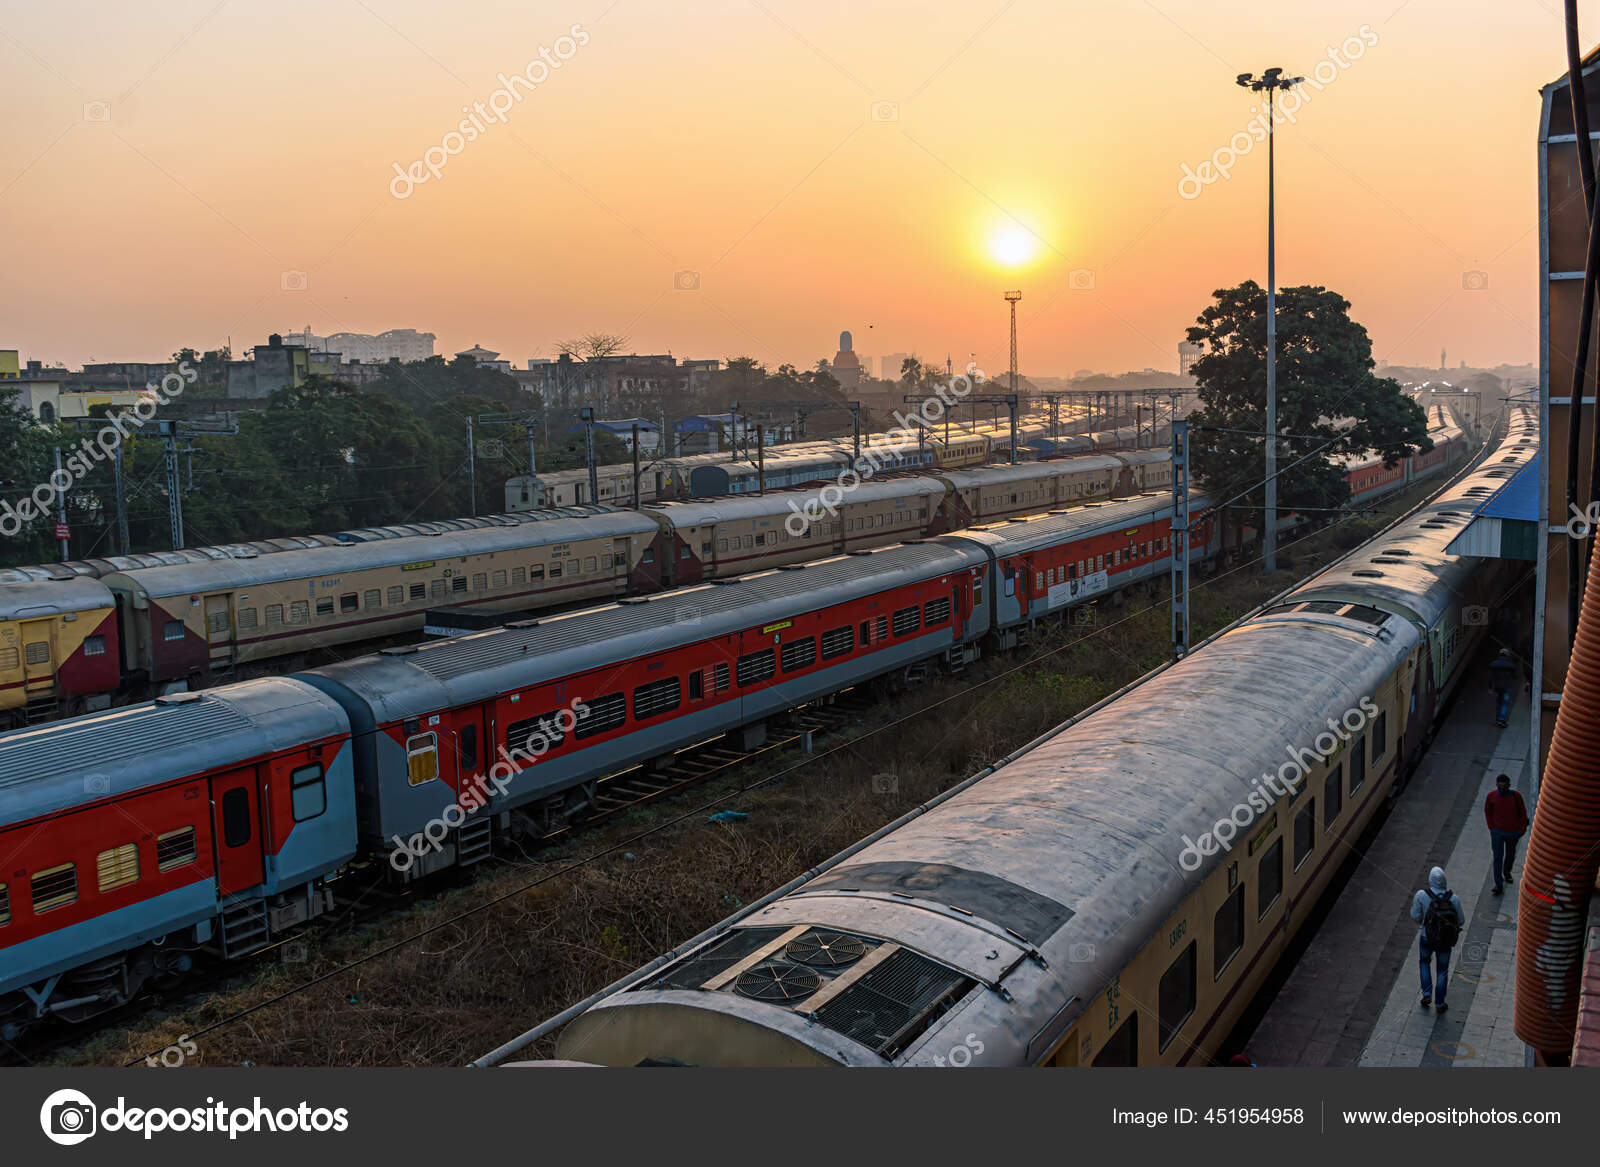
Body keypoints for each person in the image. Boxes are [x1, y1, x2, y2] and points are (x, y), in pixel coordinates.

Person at [1409, 866, 1465, 1011]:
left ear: (1430, 880)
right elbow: (1461, 920)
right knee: (1442, 970)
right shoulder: (1454, 899)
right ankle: (1440, 1003)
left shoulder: (1421, 895)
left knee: (1424, 962)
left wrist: (1425, 922)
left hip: (1426, 937)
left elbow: (1415, 915)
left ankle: (1427, 993)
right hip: (1445, 941)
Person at [1484, 773, 1529, 895]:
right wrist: (1491, 827)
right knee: (1497, 857)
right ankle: (1498, 884)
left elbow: (1522, 812)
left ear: (1509, 785)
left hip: (1513, 833)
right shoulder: (1491, 796)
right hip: (1497, 832)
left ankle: (1507, 872)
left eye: (1504, 787)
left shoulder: (1516, 796)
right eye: (1500, 787)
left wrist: (1522, 829)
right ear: (1497, 785)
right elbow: (1487, 811)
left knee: (1510, 854)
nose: (1502, 789)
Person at [1489, 648, 1517, 728]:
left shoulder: (1494, 664)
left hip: (1497, 687)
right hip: (1506, 687)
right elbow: (1515, 676)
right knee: (1505, 703)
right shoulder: (1510, 665)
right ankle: (1501, 719)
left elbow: (1491, 677)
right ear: (1507, 655)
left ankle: (1498, 718)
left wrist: (1490, 687)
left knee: (1499, 702)